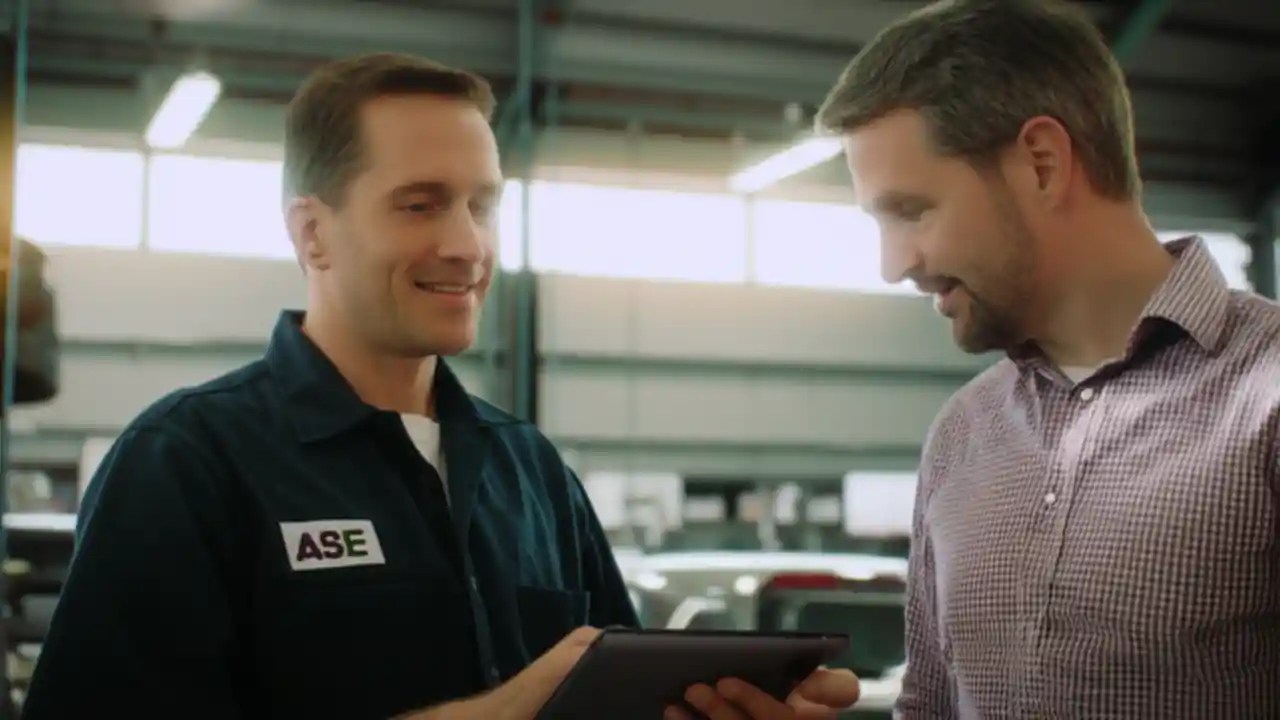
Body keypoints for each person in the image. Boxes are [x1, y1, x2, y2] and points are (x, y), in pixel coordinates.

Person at [22, 53, 860, 719]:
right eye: (420, 205)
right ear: (313, 233)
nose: (467, 245)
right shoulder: (188, 464)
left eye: (481, 205)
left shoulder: (530, 471)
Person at [815, 0, 1280, 717]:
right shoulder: (963, 432)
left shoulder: (1268, 393)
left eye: (910, 211)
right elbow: (930, 706)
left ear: (1041, 163)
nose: (892, 264)